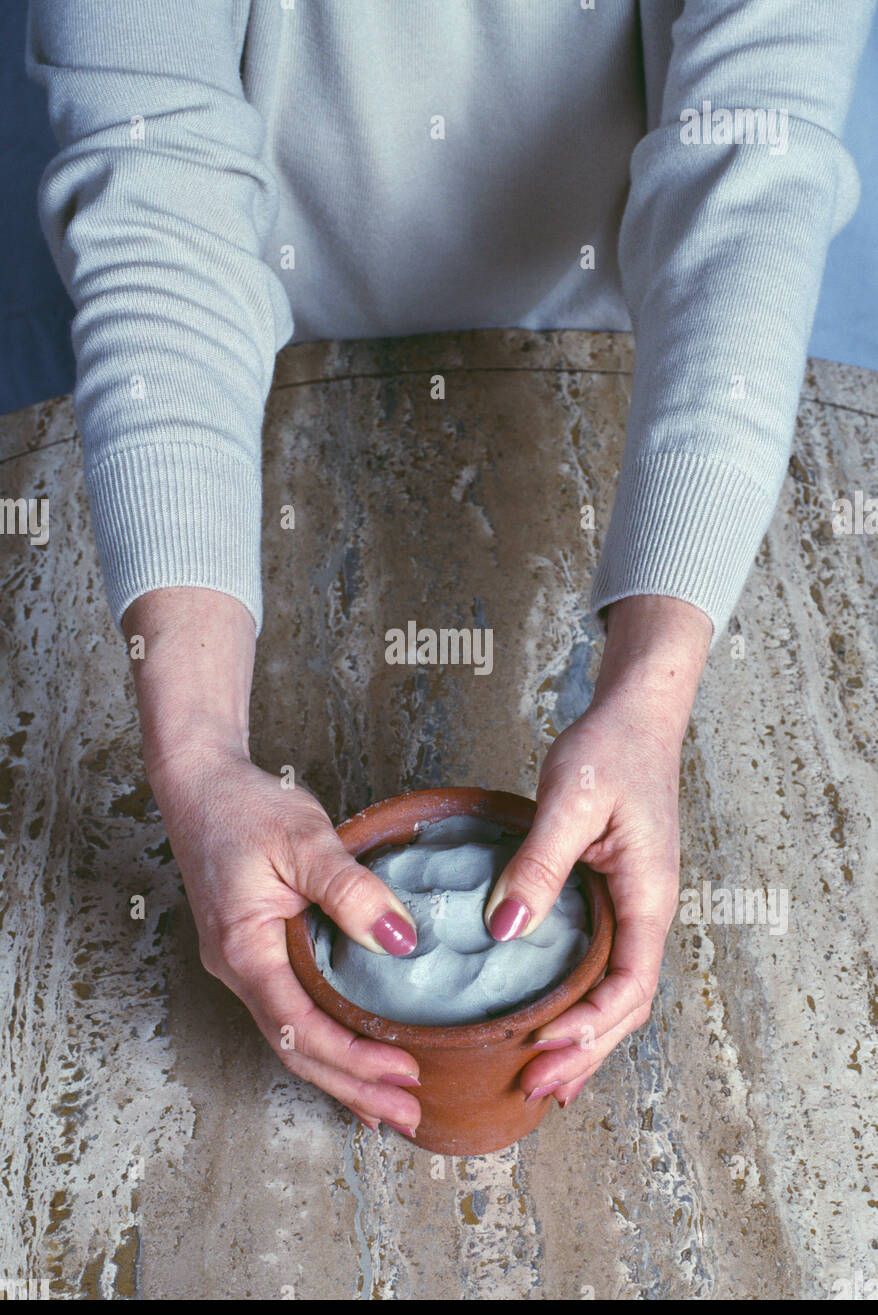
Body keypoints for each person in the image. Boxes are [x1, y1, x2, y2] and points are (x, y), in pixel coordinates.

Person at [25, 0, 875, 1135]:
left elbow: (748, 155)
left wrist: (647, 693)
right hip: (236, 376)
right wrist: (194, 756)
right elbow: (152, 187)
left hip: (632, 374)